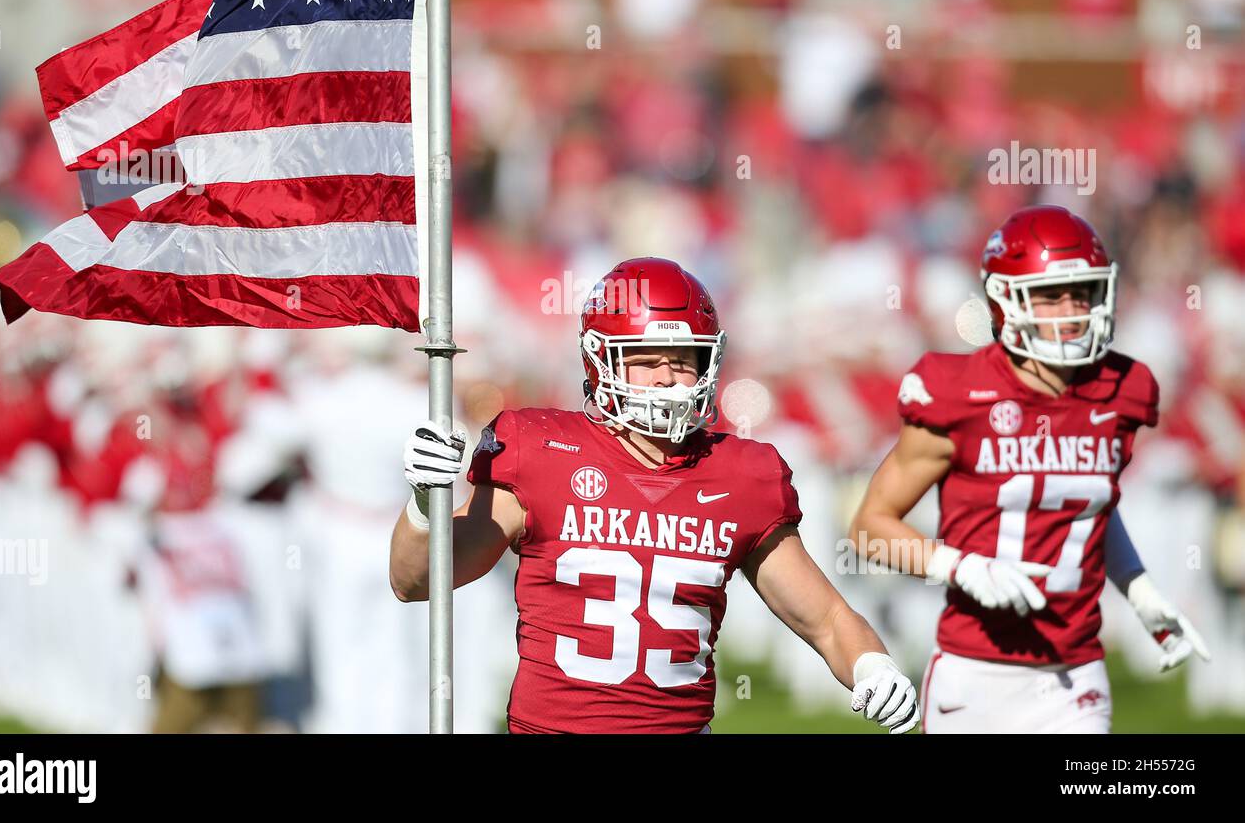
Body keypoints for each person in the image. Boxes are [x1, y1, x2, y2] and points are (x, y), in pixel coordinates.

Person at [391, 257, 919, 733]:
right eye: (646, 358)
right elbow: (415, 581)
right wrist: (422, 503)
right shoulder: (541, 450)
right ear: (601, 362)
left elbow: (826, 618)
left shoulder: (741, 474)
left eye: (683, 358)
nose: (668, 377)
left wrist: (873, 666)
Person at [850, 205, 1210, 733]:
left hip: (1075, 676)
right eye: (1050, 295)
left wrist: (1139, 589)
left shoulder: (1121, 390)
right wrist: (963, 568)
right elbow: (869, 531)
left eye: (1081, 293)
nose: (1071, 311)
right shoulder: (958, 392)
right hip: (973, 675)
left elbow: (1090, 506)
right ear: (1004, 300)